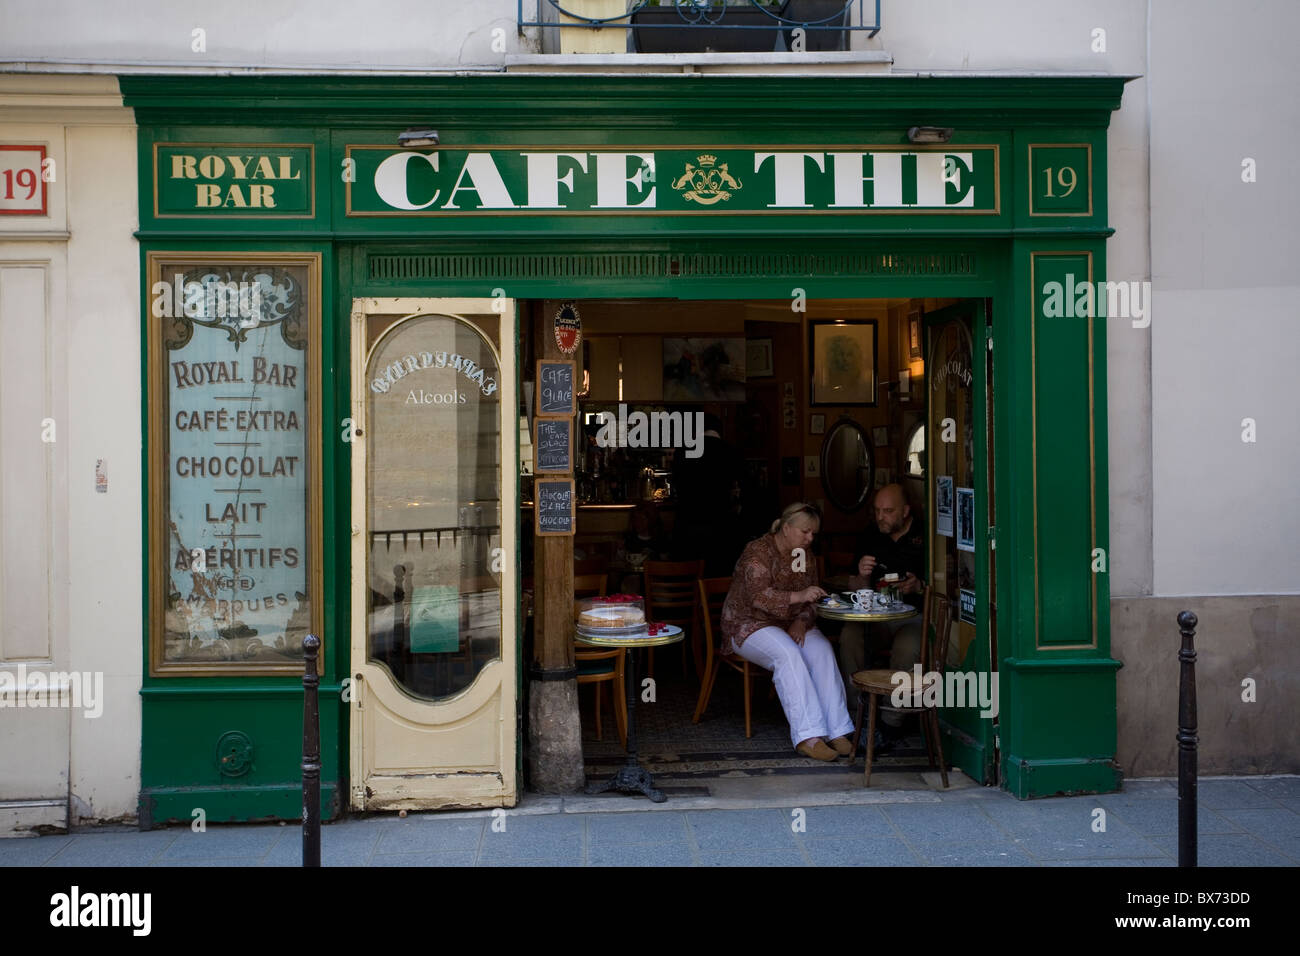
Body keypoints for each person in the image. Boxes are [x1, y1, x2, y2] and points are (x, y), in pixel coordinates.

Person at [720, 501, 856, 761]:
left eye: (814, 533)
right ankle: (809, 736)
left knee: (822, 650)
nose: (810, 538)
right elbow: (759, 597)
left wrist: (802, 620)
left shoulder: (803, 556)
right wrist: (798, 596)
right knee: (788, 654)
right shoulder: (758, 551)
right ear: (785, 527)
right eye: (805, 531)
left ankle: (838, 729)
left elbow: (812, 598)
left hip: (789, 623)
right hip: (748, 623)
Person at [836, 483, 927, 750]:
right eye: (877, 511)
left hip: (914, 615)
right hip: (876, 617)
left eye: (888, 511)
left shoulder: (925, 536)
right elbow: (853, 585)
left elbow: (943, 581)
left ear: (906, 511)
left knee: (908, 647)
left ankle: (889, 723)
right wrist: (862, 575)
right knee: (849, 635)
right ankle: (857, 716)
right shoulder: (870, 535)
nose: (880, 517)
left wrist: (919, 586)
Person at [671, 413, 745, 576]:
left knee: (689, 579)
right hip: (721, 526)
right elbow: (740, 489)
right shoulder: (731, 451)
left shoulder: (683, 451)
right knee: (718, 578)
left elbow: (675, 483)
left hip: (688, 525)